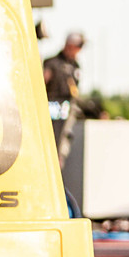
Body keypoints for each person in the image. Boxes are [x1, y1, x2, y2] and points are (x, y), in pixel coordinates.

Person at [42, 32, 85, 163]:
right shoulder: (52, 63)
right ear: (69, 45)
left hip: (67, 107)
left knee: (63, 142)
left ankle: (59, 164)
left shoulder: (76, 66)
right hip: (52, 105)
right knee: (49, 139)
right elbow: (43, 82)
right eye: (78, 46)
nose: (79, 50)